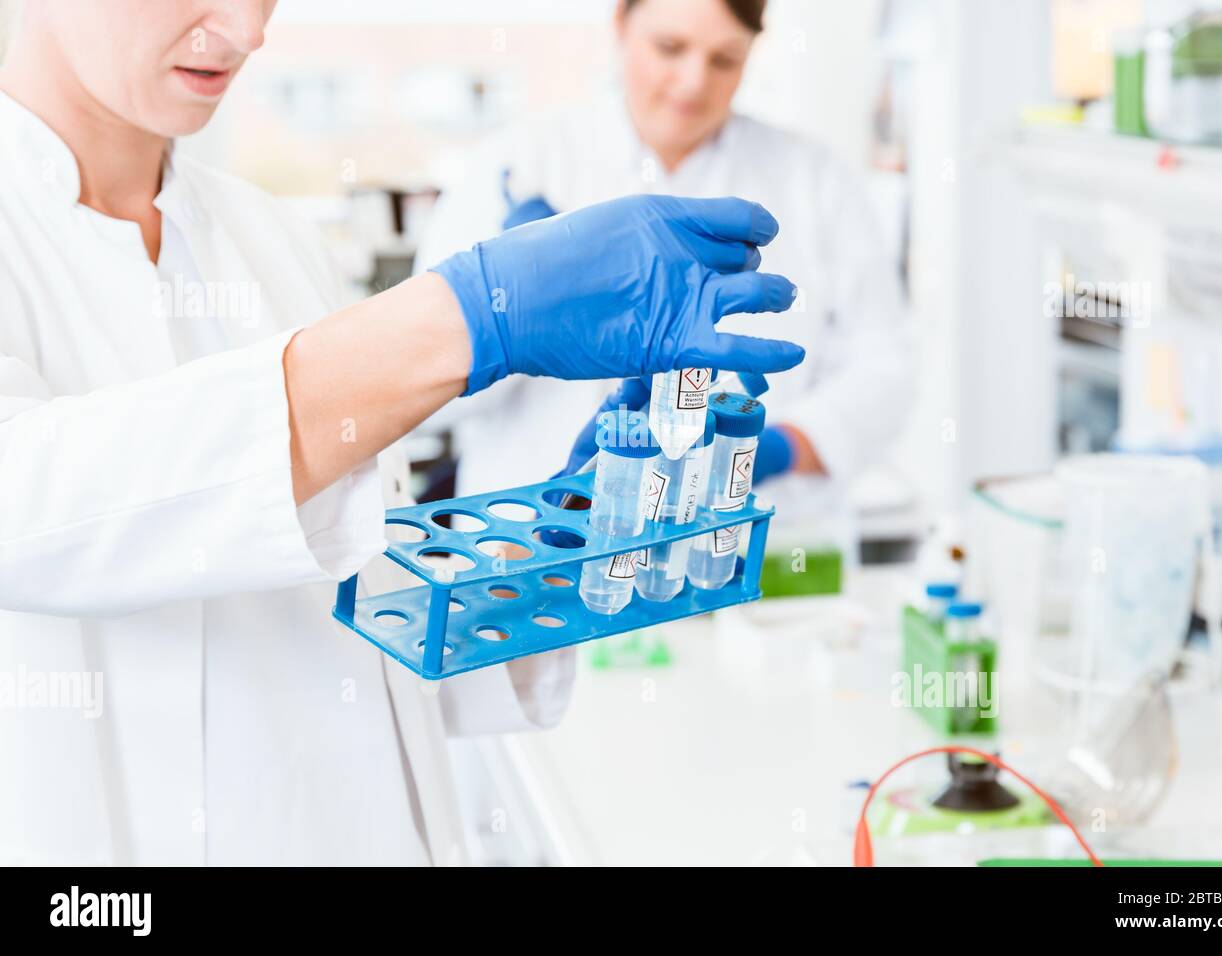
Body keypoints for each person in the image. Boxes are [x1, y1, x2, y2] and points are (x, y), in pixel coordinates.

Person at [0, 0, 800, 865]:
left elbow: (357, 623)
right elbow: (30, 505)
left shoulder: (270, 236)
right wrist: (469, 316)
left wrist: (569, 536)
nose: (246, 30)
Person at [415, 0, 910, 504]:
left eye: (724, 59)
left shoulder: (814, 180)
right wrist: (515, 310)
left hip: (745, 545)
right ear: (620, 24)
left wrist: (776, 448)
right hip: (526, 547)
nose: (695, 81)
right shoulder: (518, 165)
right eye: (669, 47)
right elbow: (420, 394)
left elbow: (885, 365)